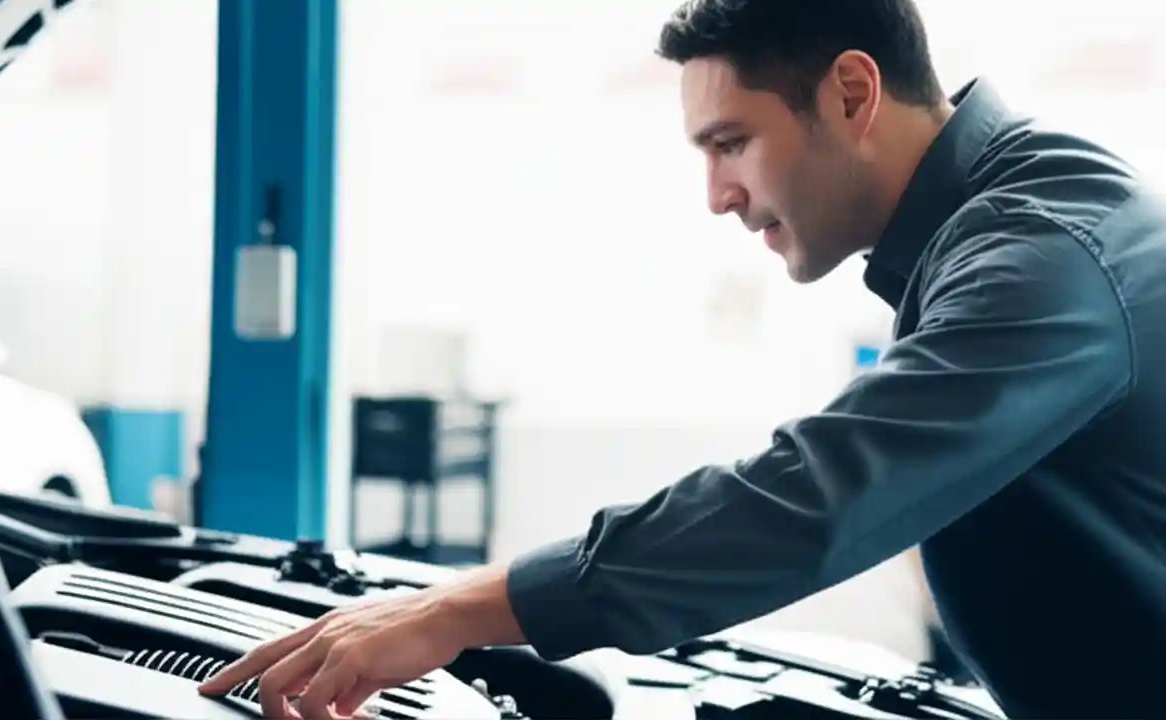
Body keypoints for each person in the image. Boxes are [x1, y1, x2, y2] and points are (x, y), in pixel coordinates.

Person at [200, 0, 1166, 717]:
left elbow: (818, 497)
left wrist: (454, 610)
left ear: (851, 93)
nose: (717, 194)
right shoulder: (1009, 225)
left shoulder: (1048, 254)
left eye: (731, 143)